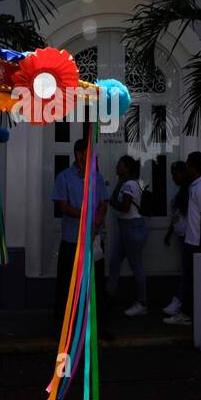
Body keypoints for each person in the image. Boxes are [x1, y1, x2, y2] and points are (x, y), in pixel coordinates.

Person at [53, 138, 108, 326]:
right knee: (68, 285)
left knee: (96, 284)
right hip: (71, 241)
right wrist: (86, 214)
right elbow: (63, 206)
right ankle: (66, 328)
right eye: (89, 153)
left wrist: (98, 216)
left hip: (94, 241)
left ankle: (96, 326)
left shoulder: (97, 178)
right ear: (79, 155)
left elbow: (103, 202)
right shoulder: (64, 177)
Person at [167, 151, 201, 327]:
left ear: (193, 166)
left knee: (190, 279)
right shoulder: (196, 186)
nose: (185, 166)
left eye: (187, 163)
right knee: (189, 279)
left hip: (195, 242)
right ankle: (189, 314)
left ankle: (187, 315)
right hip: (192, 240)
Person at [106, 155, 149, 317]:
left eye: (120, 164)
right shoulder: (126, 183)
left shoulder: (130, 184)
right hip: (125, 229)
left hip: (133, 229)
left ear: (127, 168)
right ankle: (109, 296)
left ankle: (142, 303)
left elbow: (124, 208)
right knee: (114, 262)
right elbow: (113, 199)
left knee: (136, 265)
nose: (117, 166)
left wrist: (113, 204)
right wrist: (119, 180)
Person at [161, 160, 189, 317]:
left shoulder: (190, 191)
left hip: (188, 237)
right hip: (181, 235)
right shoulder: (181, 192)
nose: (173, 178)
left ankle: (179, 301)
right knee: (184, 269)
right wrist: (170, 232)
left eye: (175, 174)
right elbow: (176, 216)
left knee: (185, 270)